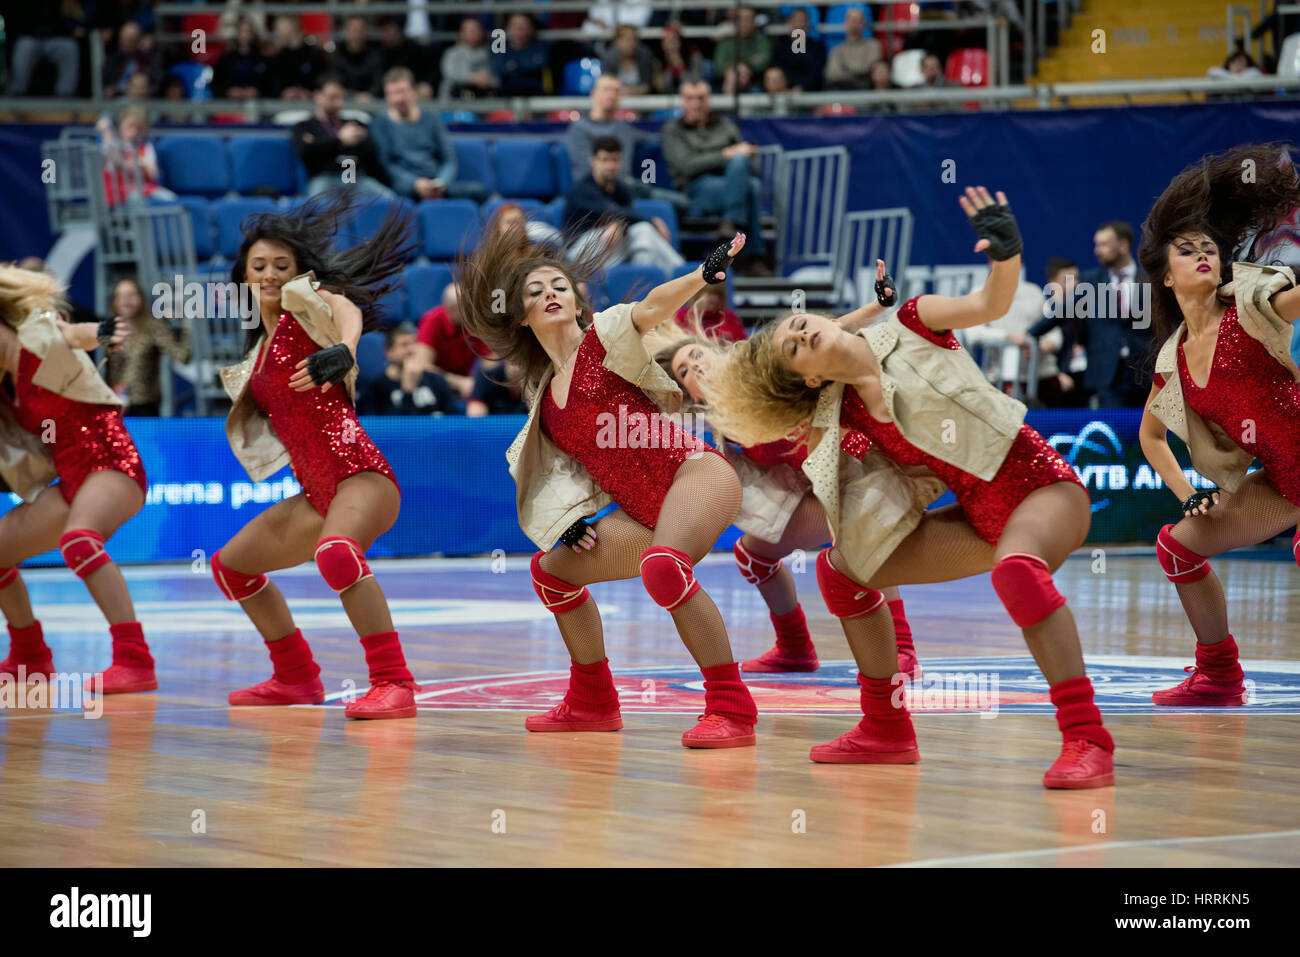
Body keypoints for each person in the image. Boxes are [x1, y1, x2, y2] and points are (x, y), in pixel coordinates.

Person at [702, 188, 1115, 788]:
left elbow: (990, 303)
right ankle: (886, 729)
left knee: (1019, 571)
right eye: (792, 348)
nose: (801, 335)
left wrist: (1007, 253)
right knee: (841, 570)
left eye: (800, 325)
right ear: (809, 378)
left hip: (1042, 486)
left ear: (820, 315)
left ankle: (1087, 738)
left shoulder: (916, 321)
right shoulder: (839, 417)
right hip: (978, 518)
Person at [456, 221, 762, 747]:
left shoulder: (606, 337)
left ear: (577, 303)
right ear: (523, 318)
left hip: (696, 473)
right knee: (551, 573)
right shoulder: (546, 404)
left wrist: (699, 275)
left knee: (664, 569)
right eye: (534, 291)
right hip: (641, 512)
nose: (550, 293)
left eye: (558, 286)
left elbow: (650, 308)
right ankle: (593, 702)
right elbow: (559, 480)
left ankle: (732, 709)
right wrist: (570, 520)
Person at [651, 260, 923, 675]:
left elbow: (823, 336)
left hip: (855, 460)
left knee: (861, 530)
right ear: (685, 393)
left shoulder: (754, 362)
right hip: (812, 487)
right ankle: (795, 647)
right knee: (752, 555)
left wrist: (875, 307)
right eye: (684, 371)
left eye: (696, 355)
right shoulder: (714, 425)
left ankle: (902, 648)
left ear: (716, 348)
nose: (696, 367)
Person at [212, 194, 422, 719]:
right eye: (259, 266)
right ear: (244, 275)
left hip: (362, 476)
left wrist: (346, 348)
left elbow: (344, 308)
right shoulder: (255, 353)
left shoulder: (309, 309)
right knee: (231, 567)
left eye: (282, 266)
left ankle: (394, 681)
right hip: (315, 492)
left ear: (299, 274)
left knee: (336, 554)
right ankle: (295, 676)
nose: (270, 274)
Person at [1136, 143, 1300, 708]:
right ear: (1165, 277)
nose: (1204, 253)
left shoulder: (1250, 306)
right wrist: (1187, 495)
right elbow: (1150, 437)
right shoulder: (1173, 359)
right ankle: (1220, 675)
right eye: (1187, 250)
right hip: (1285, 481)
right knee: (1176, 549)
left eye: (1210, 247)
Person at [0, 266, 154, 694]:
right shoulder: (5, 389)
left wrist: (100, 331)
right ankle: (30, 657)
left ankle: (135, 660)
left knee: (80, 539)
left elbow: (73, 335)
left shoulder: (39, 334)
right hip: (71, 480)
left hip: (111, 462)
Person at [661, 78, 770, 276]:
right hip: (696, 189)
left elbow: (750, 164)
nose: (696, 104)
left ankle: (730, 225)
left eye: (701, 98)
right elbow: (686, 165)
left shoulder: (725, 125)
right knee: (750, 186)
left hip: (731, 182)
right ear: (682, 102)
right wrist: (725, 154)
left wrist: (739, 156)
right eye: (690, 98)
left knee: (748, 178)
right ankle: (754, 257)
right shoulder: (673, 130)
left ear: (709, 100)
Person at [563, 76, 689, 210]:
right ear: (593, 94)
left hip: (628, 189)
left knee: (682, 203)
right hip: (597, 191)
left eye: (616, 91)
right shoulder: (580, 129)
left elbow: (655, 138)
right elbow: (584, 173)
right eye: (606, 89)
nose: (611, 95)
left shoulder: (623, 128)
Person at [563, 137, 685, 276]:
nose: (610, 165)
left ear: (620, 162)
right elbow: (612, 212)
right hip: (579, 253)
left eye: (614, 160)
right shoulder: (582, 189)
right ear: (593, 162)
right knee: (642, 230)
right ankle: (682, 271)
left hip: (614, 250)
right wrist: (651, 222)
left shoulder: (621, 189)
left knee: (644, 245)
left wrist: (619, 223)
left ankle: (643, 285)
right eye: (605, 160)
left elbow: (622, 216)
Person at [371, 67, 488, 203]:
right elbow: (386, 164)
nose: (398, 99)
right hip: (404, 187)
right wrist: (415, 183)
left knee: (479, 191)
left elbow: (449, 158)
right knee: (391, 195)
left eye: (402, 92)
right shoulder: (380, 123)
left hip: (436, 183)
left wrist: (441, 182)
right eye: (392, 94)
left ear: (413, 92)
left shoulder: (431, 118)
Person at [1076, 221, 1151, 407]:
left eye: (1103, 244)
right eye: (1096, 244)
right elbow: (1064, 313)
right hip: (1108, 373)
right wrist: (1030, 333)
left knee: (1150, 433)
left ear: (1123, 246)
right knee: (1111, 433)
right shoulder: (1090, 280)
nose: (1097, 250)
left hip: (1148, 373)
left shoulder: (1151, 278)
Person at [292, 75, 395, 198]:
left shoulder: (354, 123)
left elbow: (372, 151)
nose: (339, 103)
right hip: (324, 179)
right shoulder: (304, 126)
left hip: (355, 178)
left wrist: (320, 143)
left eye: (341, 97)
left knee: (391, 201)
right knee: (315, 205)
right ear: (318, 96)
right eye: (333, 97)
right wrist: (340, 140)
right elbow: (305, 152)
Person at [105, 277, 191, 416]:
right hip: (113, 404)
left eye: (131, 295)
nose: (126, 300)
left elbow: (182, 356)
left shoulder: (153, 327)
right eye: (120, 296)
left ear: (141, 298)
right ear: (114, 301)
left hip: (145, 406)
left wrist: (188, 328)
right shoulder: (107, 330)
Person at [360, 323, 463, 415]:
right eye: (404, 345)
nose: (411, 349)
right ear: (389, 352)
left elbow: (452, 419)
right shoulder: (378, 387)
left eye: (414, 343)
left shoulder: (436, 380)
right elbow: (385, 429)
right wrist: (407, 392)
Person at [415, 282, 491, 399]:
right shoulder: (432, 320)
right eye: (465, 308)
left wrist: (479, 384)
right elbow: (423, 366)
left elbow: (490, 362)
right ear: (450, 308)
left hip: (468, 386)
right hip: (436, 385)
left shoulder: (475, 322)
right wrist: (460, 382)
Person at [95, 107, 176, 206]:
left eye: (138, 128)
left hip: (145, 189)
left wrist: (136, 164)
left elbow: (153, 173)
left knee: (170, 198)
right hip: (118, 193)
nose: (134, 131)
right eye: (130, 126)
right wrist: (106, 132)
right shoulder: (112, 145)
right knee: (136, 200)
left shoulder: (144, 147)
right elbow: (117, 161)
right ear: (121, 125)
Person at [267, 14, 328, 101]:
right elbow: (272, 86)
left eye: (279, 27)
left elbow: (323, 82)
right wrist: (283, 92)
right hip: (283, 107)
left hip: (312, 104)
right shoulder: (277, 57)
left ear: (293, 26)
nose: (277, 31)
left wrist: (308, 93)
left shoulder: (314, 55)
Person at [713, 5, 772, 95]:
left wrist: (742, 66)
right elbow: (719, 68)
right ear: (735, 22)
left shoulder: (762, 41)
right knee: (732, 76)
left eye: (747, 19)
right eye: (740, 19)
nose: (744, 23)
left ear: (754, 22)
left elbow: (762, 63)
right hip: (728, 82)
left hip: (756, 84)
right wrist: (738, 67)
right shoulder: (726, 42)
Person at [212, 16, 271, 101]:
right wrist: (228, 91)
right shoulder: (225, 59)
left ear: (253, 34)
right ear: (236, 33)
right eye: (241, 31)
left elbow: (270, 86)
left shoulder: (262, 59)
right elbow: (215, 85)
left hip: (257, 104)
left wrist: (257, 91)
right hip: (229, 104)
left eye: (248, 31)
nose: (244, 35)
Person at [824, 8, 883, 90]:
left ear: (864, 24)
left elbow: (872, 71)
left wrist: (846, 69)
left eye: (859, 21)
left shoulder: (874, 45)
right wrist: (859, 74)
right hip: (842, 91)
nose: (855, 24)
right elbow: (832, 74)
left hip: (866, 91)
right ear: (845, 23)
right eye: (853, 20)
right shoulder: (837, 50)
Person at [769, 8, 825, 93]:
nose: (799, 25)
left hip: (811, 93)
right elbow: (778, 70)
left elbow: (816, 74)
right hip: (783, 92)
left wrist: (802, 87)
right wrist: (786, 89)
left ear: (808, 25)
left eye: (803, 21)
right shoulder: (780, 48)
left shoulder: (817, 48)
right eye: (796, 21)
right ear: (789, 23)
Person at [492, 13, 549, 98]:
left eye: (524, 26)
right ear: (507, 28)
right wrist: (526, 66)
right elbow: (499, 70)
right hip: (505, 97)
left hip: (536, 96)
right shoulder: (500, 47)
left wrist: (513, 66)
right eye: (515, 26)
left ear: (531, 29)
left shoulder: (540, 46)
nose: (519, 30)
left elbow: (540, 65)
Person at [440, 17, 497, 100]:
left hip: (483, 98)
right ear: (461, 33)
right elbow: (450, 74)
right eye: (469, 30)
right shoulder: (452, 53)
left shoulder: (490, 53)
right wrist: (472, 78)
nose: (473, 33)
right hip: (454, 99)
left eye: (476, 29)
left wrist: (488, 80)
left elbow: (497, 76)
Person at [102, 21, 163, 98]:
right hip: (117, 100)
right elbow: (105, 83)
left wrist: (141, 91)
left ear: (139, 41)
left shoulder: (150, 59)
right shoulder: (113, 59)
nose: (125, 45)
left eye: (130, 41)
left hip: (144, 100)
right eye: (123, 41)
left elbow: (156, 85)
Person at [334, 15, 385, 101]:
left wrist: (370, 95)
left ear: (365, 32)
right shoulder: (337, 55)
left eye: (359, 30)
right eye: (352, 30)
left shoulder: (376, 54)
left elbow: (378, 81)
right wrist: (354, 96)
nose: (356, 34)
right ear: (346, 32)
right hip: (344, 101)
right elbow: (336, 83)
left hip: (372, 100)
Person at [674, 283, 746, 343]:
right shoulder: (683, 316)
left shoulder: (729, 317)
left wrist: (725, 343)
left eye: (718, 295)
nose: (714, 299)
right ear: (697, 294)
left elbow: (742, 345)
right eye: (709, 293)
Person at [600, 25, 656, 96]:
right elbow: (608, 85)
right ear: (617, 41)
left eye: (634, 39)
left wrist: (630, 91)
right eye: (627, 40)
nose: (631, 43)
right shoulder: (609, 58)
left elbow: (648, 86)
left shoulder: (645, 56)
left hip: (642, 100)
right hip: (616, 100)